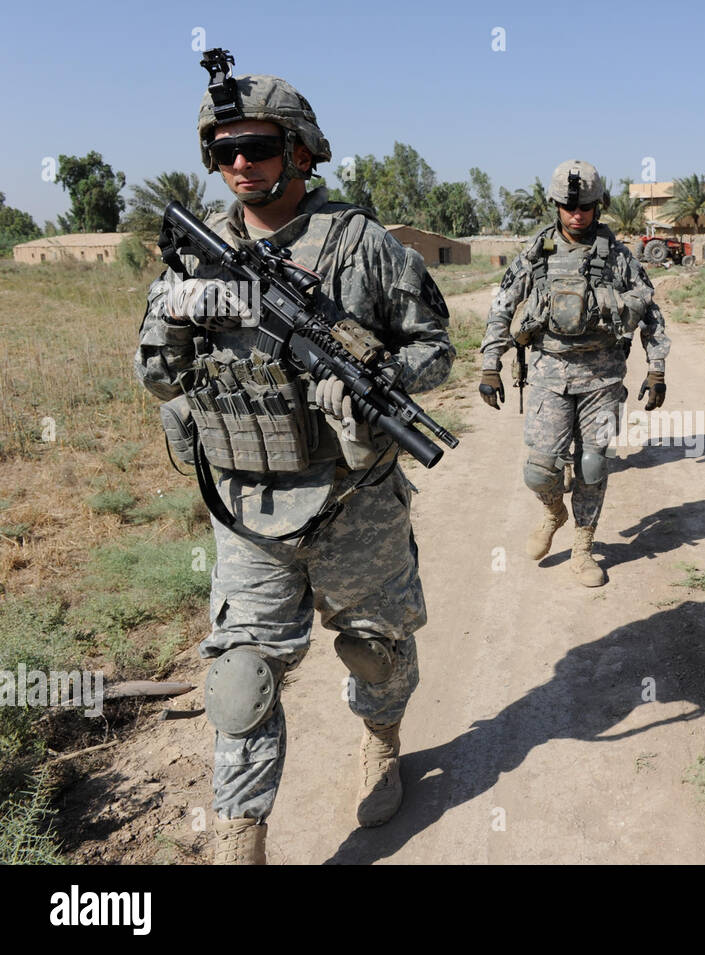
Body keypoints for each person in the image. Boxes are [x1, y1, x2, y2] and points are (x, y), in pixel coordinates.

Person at [134, 58, 454, 863]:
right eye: (223, 150)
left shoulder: (360, 244)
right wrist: (176, 313)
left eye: (258, 144)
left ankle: (381, 738)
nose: (240, 163)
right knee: (240, 680)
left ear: (302, 150)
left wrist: (378, 382)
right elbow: (156, 375)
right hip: (247, 507)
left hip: (356, 500)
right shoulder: (192, 256)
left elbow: (435, 350)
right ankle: (242, 836)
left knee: (375, 650)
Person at [479, 160, 669, 587]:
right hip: (548, 374)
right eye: (568, 206)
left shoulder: (619, 258)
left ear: (597, 205)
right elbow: (502, 309)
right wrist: (491, 364)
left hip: (601, 377)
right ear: (555, 206)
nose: (576, 214)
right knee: (539, 470)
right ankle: (553, 512)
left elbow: (650, 313)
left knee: (592, 465)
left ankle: (583, 548)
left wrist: (656, 370)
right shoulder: (535, 255)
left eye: (584, 206)